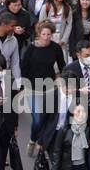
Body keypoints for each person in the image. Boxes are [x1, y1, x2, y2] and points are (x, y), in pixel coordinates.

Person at [19, 20, 65, 153]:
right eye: (43, 34)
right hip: (33, 88)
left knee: (48, 117)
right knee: (37, 119)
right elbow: (24, 68)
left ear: (52, 34)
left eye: (48, 34)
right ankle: (33, 140)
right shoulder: (30, 49)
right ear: (39, 34)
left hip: (50, 87)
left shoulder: (55, 48)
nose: (46, 37)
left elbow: (62, 66)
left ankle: (40, 142)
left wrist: (62, 79)